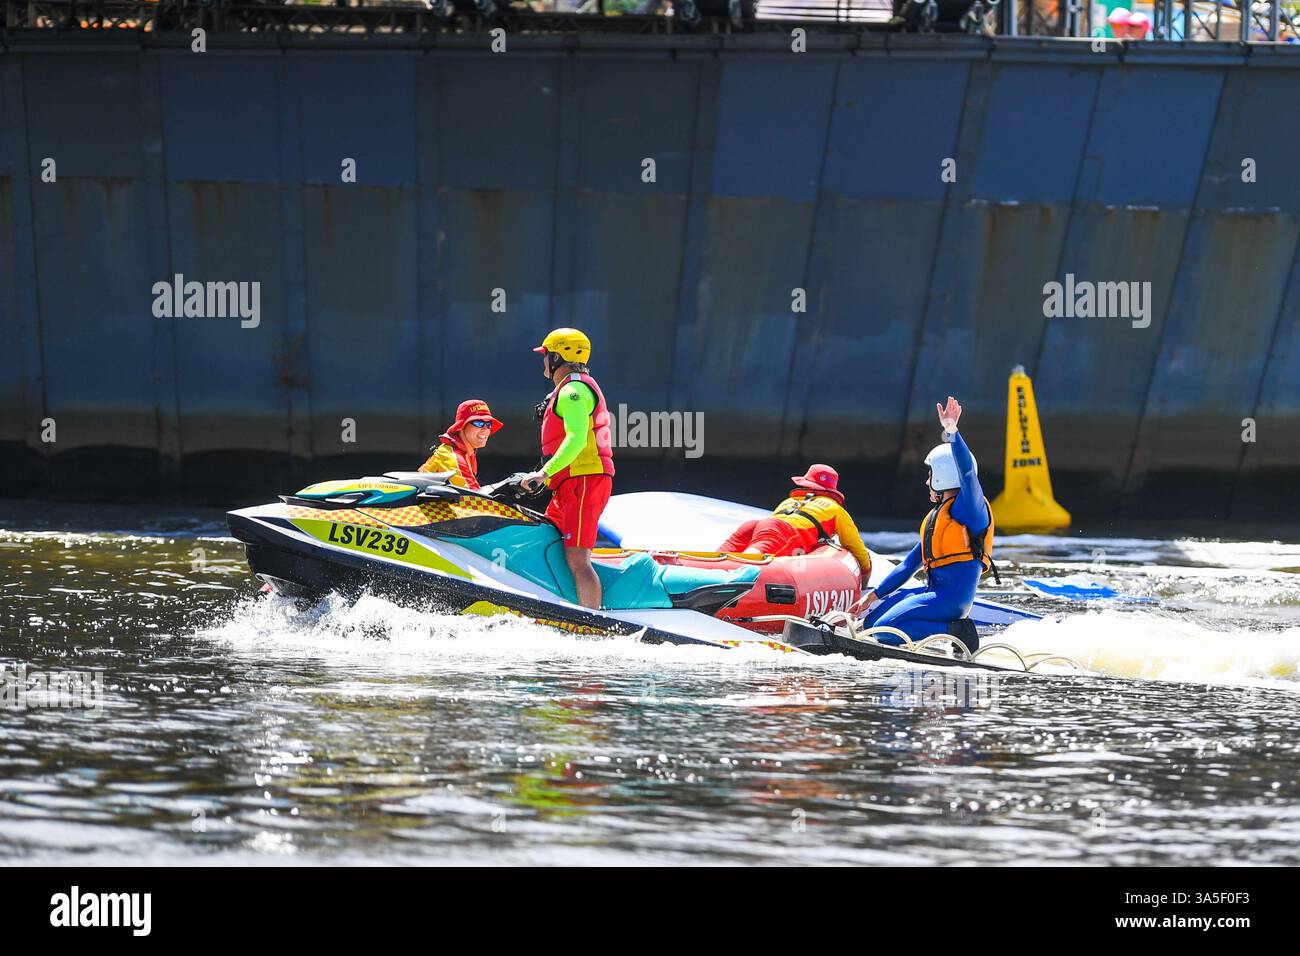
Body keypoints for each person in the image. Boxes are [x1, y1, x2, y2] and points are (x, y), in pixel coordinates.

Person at [849, 396, 994, 650]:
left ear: (945, 475)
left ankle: (958, 632)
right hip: (934, 595)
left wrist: (952, 432)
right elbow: (907, 566)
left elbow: (968, 474)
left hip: (951, 601)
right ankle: (946, 628)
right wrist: (872, 596)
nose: (927, 482)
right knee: (872, 623)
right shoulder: (937, 519)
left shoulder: (970, 509)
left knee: (887, 632)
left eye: (930, 475)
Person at [519, 328, 615, 610]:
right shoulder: (568, 389)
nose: (543, 361)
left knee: (577, 558)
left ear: (559, 356)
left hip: (585, 481)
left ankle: (591, 622)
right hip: (569, 483)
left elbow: (575, 438)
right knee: (547, 540)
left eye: (546, 355)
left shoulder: (573, 391)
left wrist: (544, 472)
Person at [716, 464, 873, 579]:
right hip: (783, 532)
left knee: (715, 561)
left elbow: (769, 526)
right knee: (744, 567)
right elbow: (857, 548)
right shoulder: (837, 510)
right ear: (831, 490)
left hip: (755, 526)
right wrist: (865, 577)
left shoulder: (789, 501)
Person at [417, 399, 503, 490]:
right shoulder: (452, 457)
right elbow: (473, 498)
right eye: (479, 423)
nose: (485, 429)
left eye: (488, 424)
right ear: (461, 427)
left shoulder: (467, 452)